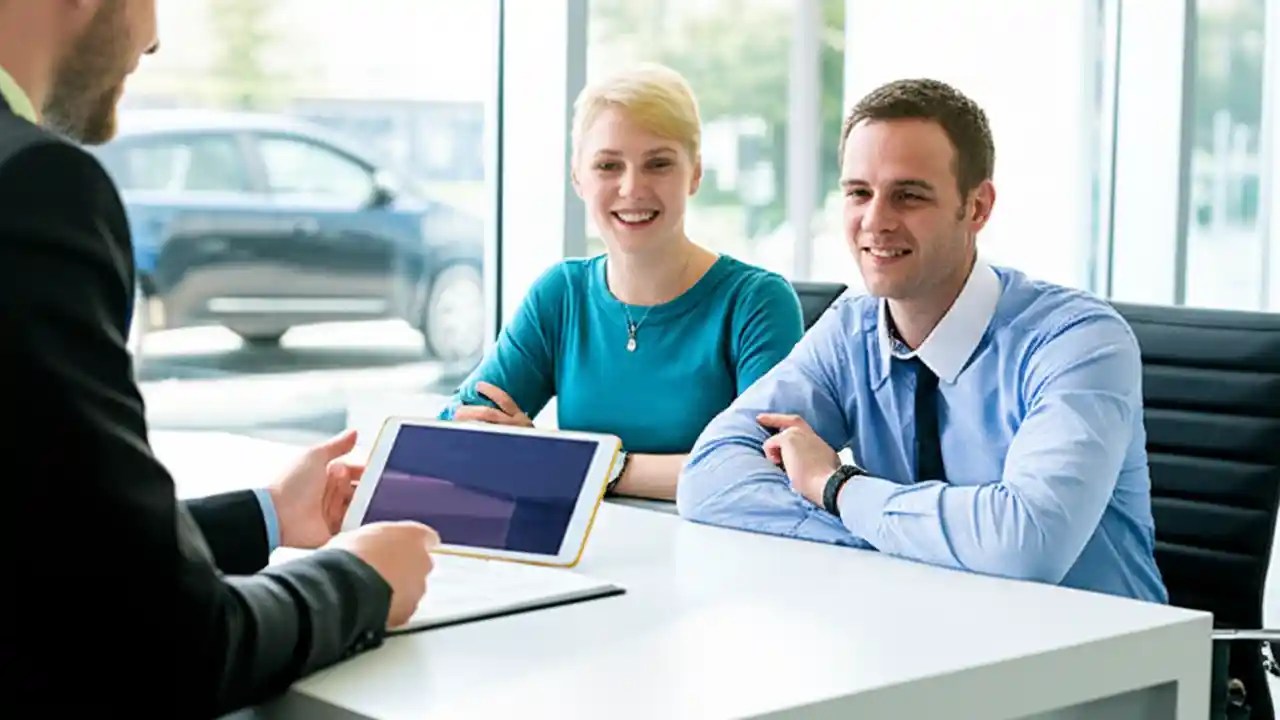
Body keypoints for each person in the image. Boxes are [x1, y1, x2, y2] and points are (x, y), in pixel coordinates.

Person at [0, 2, 440, 716]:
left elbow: (53, 542)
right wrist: (359, 580)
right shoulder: (34, 187)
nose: (153, 35)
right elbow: (167, 646)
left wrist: (266, 516)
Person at [677, 77, 1168, 604]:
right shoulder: (850, 331)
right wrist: (895, 537)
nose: (875, 221)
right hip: (924, 640)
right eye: (859, 193)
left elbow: (1027, 543)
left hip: (1105, 661)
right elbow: (709, 477)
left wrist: (839, 487)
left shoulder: (1078, 342)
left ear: (977, 208)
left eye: (908, 196)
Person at [440, 63, 804, 501]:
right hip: (582, 554)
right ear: (579, 177)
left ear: (695, 173)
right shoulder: (561, 294)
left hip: (713, 555)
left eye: (659, 164)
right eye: (609, 165)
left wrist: (576, 463)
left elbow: (760, 465)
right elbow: (455, 426)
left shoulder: (757, 302)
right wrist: (536, 455)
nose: (632, 188)